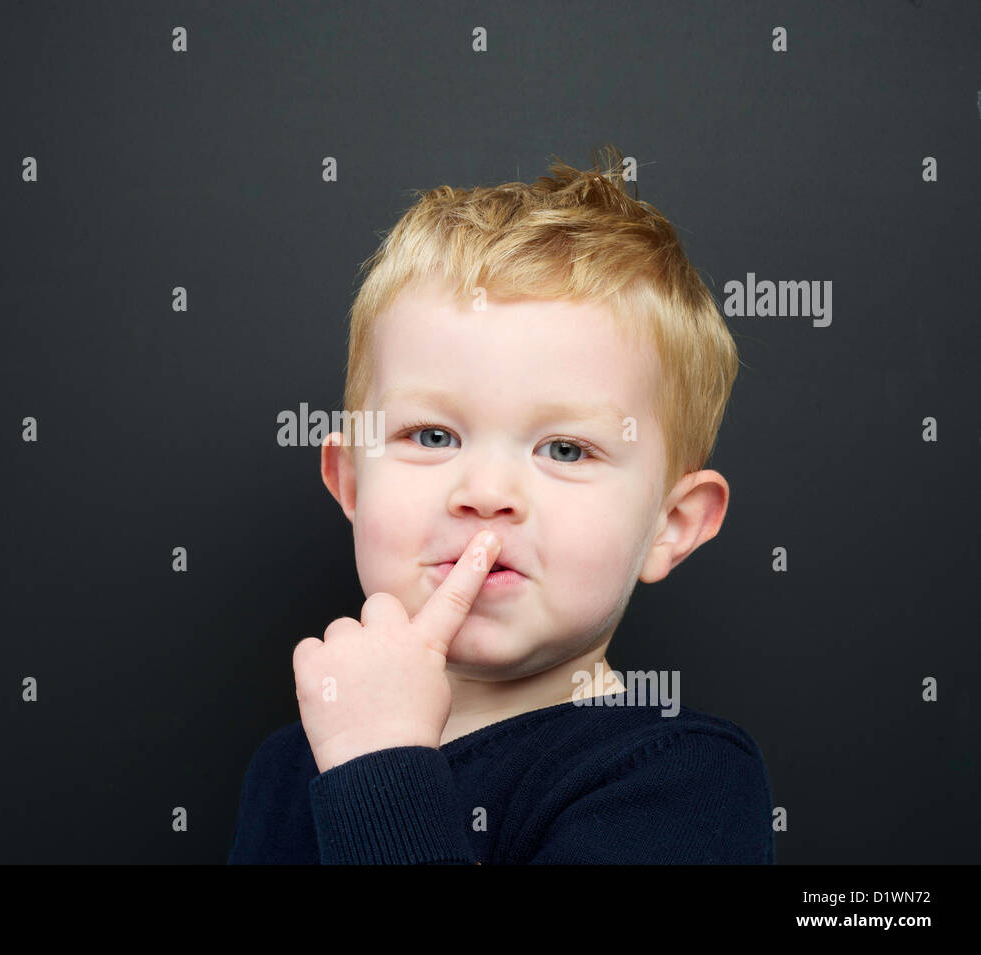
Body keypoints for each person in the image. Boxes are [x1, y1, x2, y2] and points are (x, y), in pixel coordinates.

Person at [229, 146, 774, 864]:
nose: (485, 494)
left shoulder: (686, 780)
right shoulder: (286, 765)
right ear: (352, 483)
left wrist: (382, 772)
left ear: (670, 526)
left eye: (566, 450)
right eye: (431, 434)